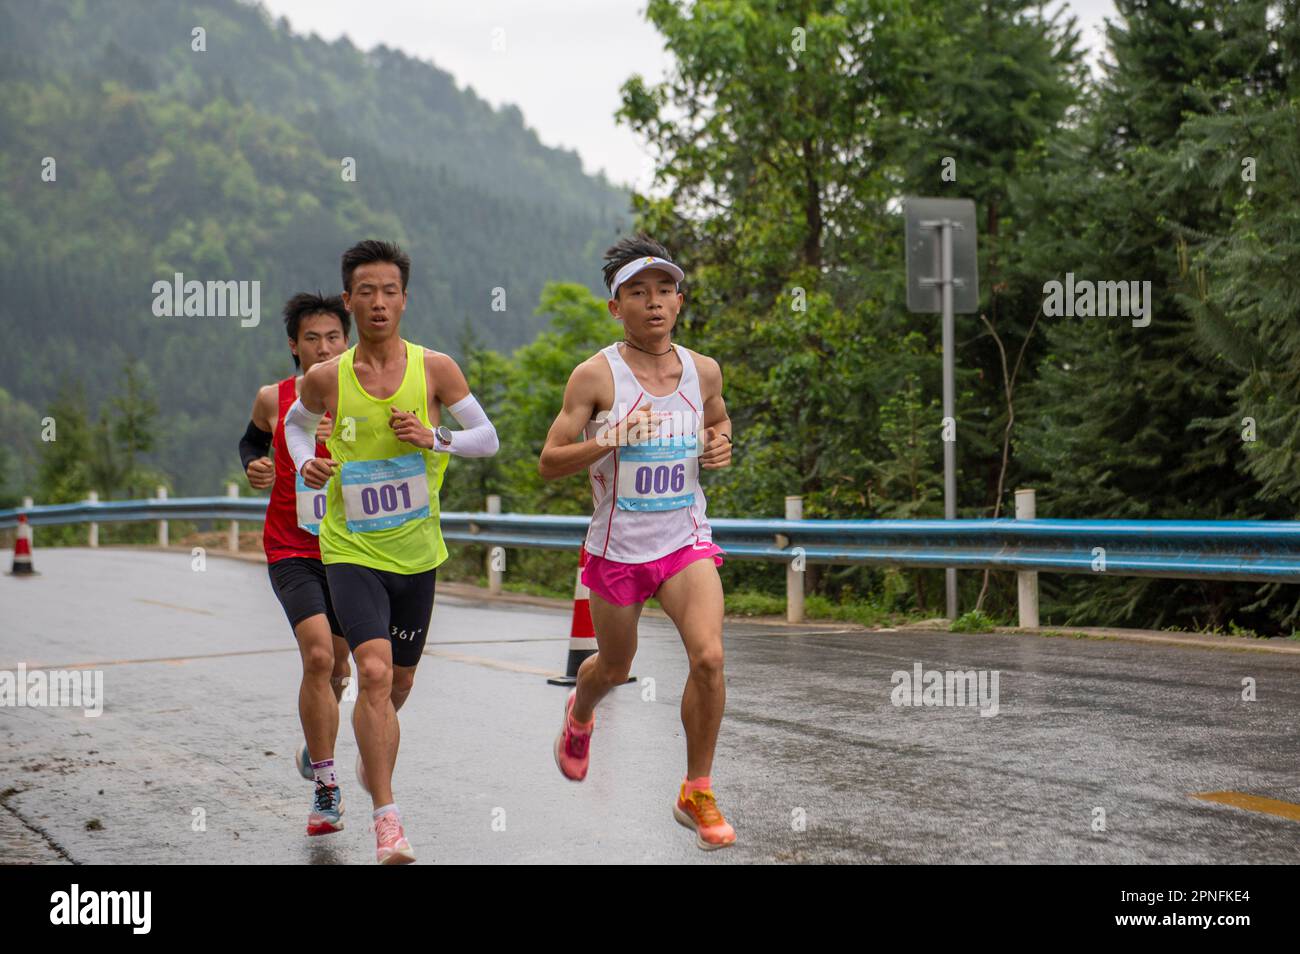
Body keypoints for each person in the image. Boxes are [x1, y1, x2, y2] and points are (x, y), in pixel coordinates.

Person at [284, 240, 500, 864]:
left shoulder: (435, 369)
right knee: (372, 672)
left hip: (418, 553)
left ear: (404, 299)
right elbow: (295, 427)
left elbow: (486, 439)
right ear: (350, 301)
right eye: (367, 293)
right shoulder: (327, 377)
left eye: (390, 291)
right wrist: (309, 467)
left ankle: (366, 756)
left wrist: (434, 437)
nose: (379, 303)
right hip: (350, 548)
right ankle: (387, 820)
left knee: (397, 686)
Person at [538, 234, 737, 850]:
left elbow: (719, 418)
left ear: (680, 301)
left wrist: (721, 442)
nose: (653, 303)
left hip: (685, 540)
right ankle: (580, 713)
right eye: (637, 293)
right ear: (615, 307)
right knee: (614, 667)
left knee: (708, 657)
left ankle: (695, 789)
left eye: (664, 291)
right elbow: (549, 461)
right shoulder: (595, 376)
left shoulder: (702, 370)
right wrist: (611, 438)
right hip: (618, 548)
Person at [239, 292, 351, 836]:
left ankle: (316, 740)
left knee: (342, 667)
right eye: (313, 338)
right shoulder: (274, 397)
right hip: (292, 547)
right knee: (317, 657)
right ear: (294, 346)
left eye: (333, 337)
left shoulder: (364, 394)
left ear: (347, 341)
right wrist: (255, 467)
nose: (324, 347)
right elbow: (251, 442)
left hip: (354, 550)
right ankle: (326, 787)